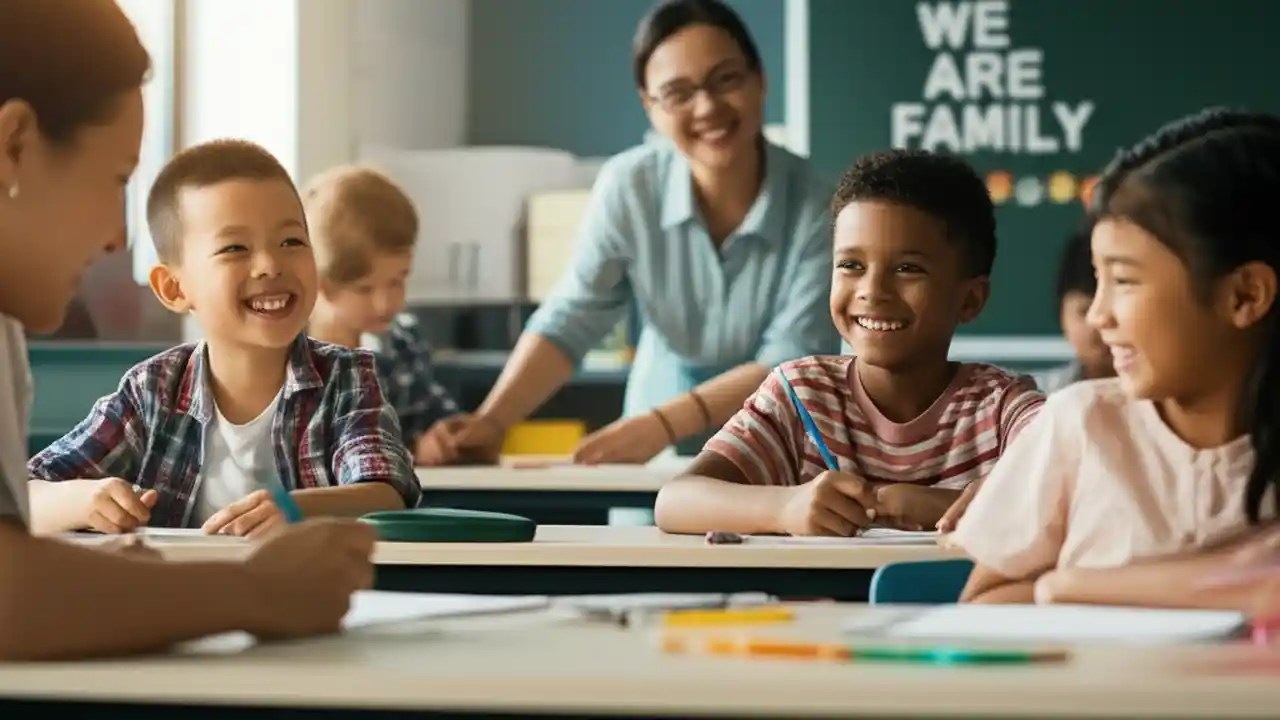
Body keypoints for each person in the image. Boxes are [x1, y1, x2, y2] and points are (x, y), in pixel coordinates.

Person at [0, 0, 375, 660]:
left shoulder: (5, 336)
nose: (118, 236)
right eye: (117, 178)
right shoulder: (150, 389)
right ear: (14, 147)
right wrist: (256, 589)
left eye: (292, 240)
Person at [418, 0, 839, 466]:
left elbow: (790, 361)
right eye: (678, 92)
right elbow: (571, 319)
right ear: (649, 105)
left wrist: (664, 423)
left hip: (768, 444)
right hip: (646, 448)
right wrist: (491, 422)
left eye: (726, 79)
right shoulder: (630, 186)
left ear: (760, 79)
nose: (707, 106)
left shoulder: (821, 207)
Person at [954, 109, 1280, 609]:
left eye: (1124, 280)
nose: (1100, 314)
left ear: (1245, 296)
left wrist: (1068, 587)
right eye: (1095, 279)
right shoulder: (1080, 423)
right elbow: (984, 607)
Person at [28, 141, 420, 537]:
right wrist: (84, 499)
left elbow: (386, 492)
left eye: (291, 242)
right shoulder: (151, 391)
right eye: (235, 248)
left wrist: (291, 508)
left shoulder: (346, 377)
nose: (270, 265)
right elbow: (21, 494)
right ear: (174, 289)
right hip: (177, 596)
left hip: (308, 595)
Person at [654, 149, 1044, 535]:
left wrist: (927, 504)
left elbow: (1081, 484)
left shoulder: (1001, 409)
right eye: (851, 265)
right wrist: (785, 508)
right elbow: (676, 502)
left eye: (908, 269)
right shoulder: (801, 395)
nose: (872, 291)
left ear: (970, 299)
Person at [304, 166, 460, 464]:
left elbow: (434, 414)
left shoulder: (402, 342)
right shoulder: (291, 359)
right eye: (364, 289)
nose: (384, 303)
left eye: (398, 280)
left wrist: (448, 436)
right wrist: (412, 452)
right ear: (319, 283)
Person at [1033, 224, 1114, 393]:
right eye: (1084, 311)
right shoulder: (1034, 400)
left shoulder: (1167, 404)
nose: (1098, 322)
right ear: (1062, 313)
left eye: (1113, 307)